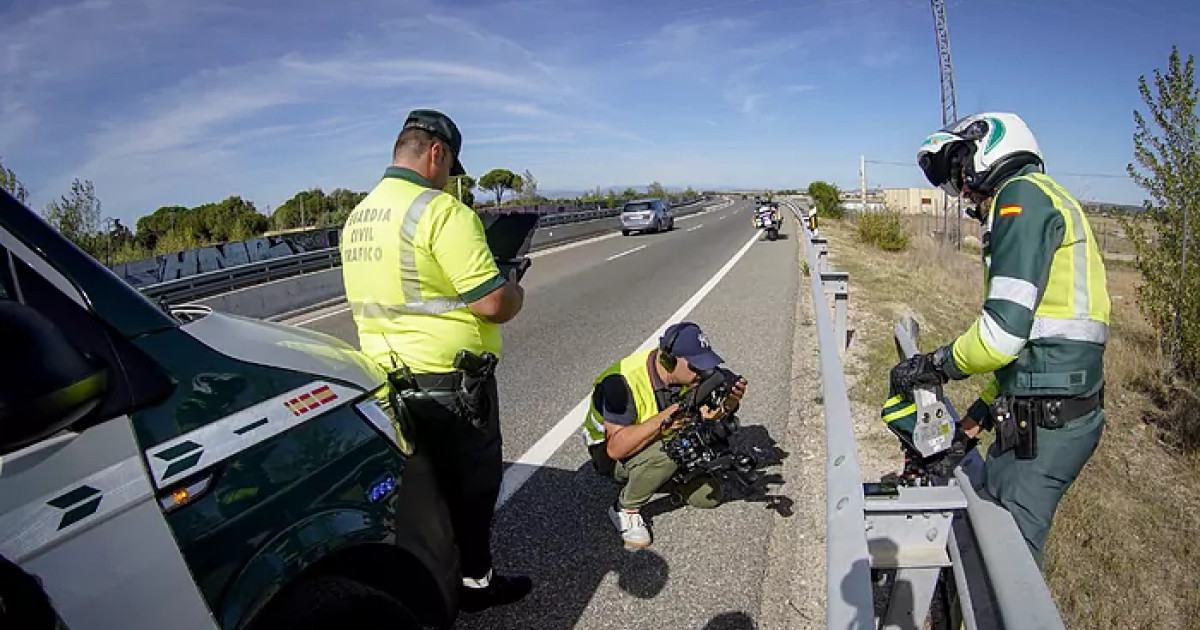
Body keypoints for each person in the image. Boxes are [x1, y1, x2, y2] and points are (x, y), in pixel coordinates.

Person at [891, 111, 1110, 568]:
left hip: (1045, 426)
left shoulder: (1019, 199)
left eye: (959, 173)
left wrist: (934, 364)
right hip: (1051, 408)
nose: (963, 191)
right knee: (990, 528)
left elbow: (1001, 338)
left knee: (1006, 567)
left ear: (988, 148)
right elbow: (1032, 358)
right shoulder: (1046, 195)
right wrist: (971, 426)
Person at [340, 109, 531, 611]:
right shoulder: (442, 212)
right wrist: (513, 288)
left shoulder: (358, 217)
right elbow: (490, 303)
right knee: (474, 485)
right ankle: (475, 582)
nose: (450, 177)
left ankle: (429, 582)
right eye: (450, 166)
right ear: (435, 153)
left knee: (422, 488)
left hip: (385, 375)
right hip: (451, 382)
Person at [580, 322, 748, 548]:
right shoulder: (620, 382)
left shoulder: (689, 377)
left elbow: (707, 416)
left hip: (657, 438)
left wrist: (727, 405)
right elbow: (615, 448)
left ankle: (657, 476)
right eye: (696, 365)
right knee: (675, 449)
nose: (702, 372)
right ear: (669, 361)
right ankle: (624, 508)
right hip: (611, 454)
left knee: (708, 496)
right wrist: (667, 417)